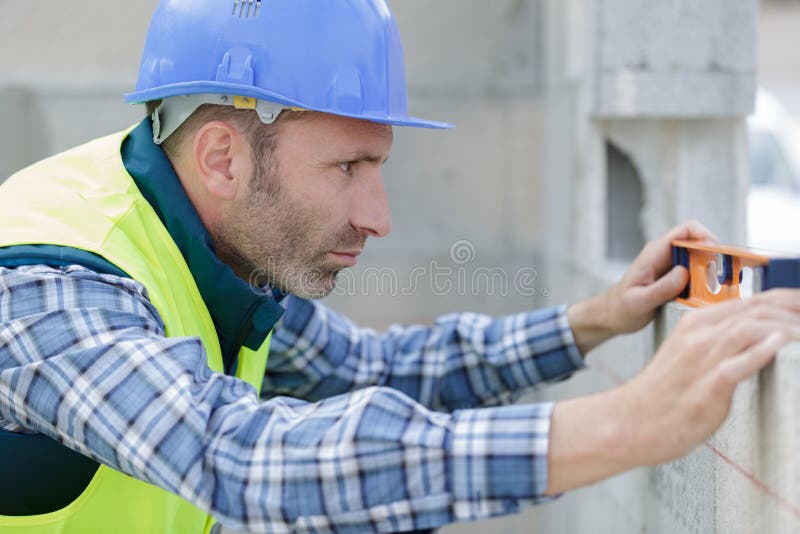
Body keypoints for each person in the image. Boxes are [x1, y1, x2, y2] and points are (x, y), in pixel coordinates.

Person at [0, 1, 798, 533]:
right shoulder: (49, 291)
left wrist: (598, 319)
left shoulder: (215, 243)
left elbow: (370, 369)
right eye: (347, 168)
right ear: (223, 156)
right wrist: (627, 424)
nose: (378, 216)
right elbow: (238, 455)